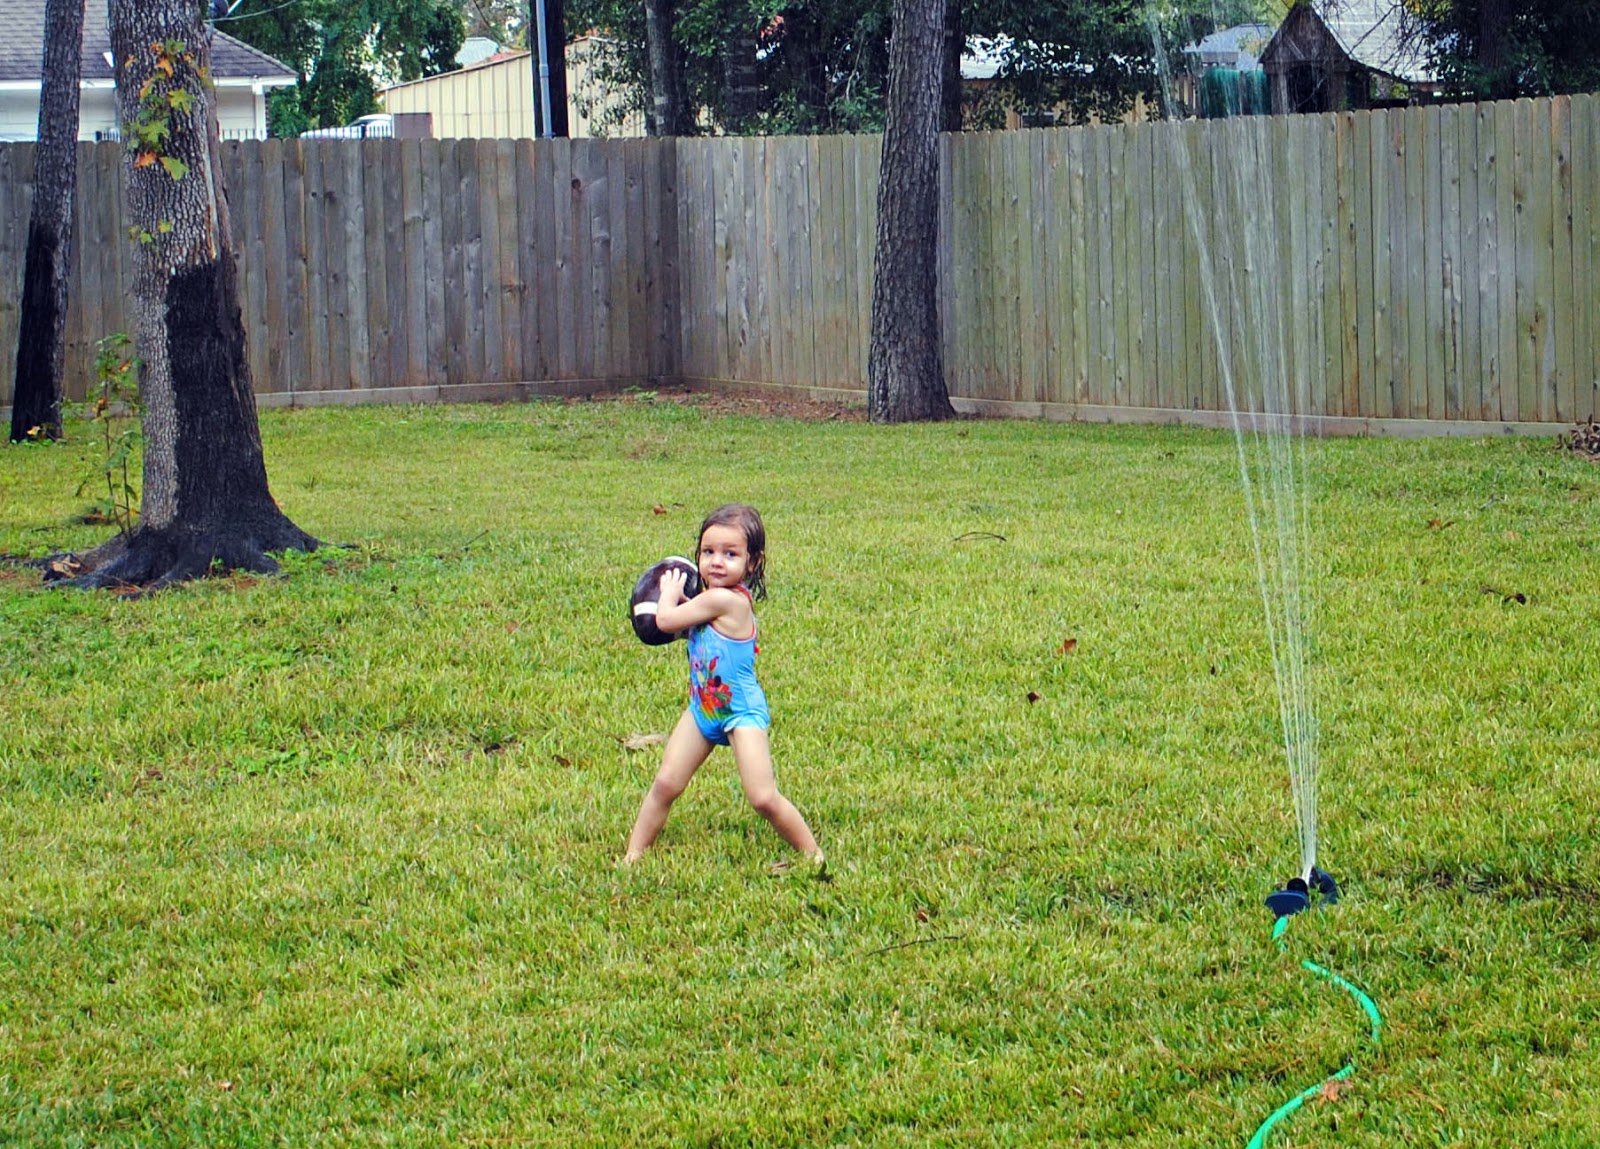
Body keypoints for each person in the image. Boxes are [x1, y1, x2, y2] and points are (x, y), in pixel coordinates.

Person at [623, 504, 824, 872]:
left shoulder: (726, 601)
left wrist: (668, 590)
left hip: (741, 712)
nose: (716, 561)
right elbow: (690, 621)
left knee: (762, 797)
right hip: (703, 709)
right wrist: (682, 601)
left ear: (752, 562)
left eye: (730, 554)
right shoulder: (708, 601)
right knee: (666, 783)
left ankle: (813, 854)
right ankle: (633, 855)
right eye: (708, 552)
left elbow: (666, 620)